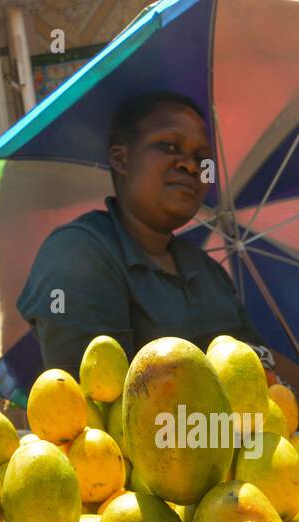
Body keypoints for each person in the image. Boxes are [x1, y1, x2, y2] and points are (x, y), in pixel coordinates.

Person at [18, 91, 267, 378]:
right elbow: (99, 396)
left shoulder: (208, 270)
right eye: (170, 146)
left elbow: (261, 362)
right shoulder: (76, 256)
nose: (190, 165)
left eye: (202, 158)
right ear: (121, 160)